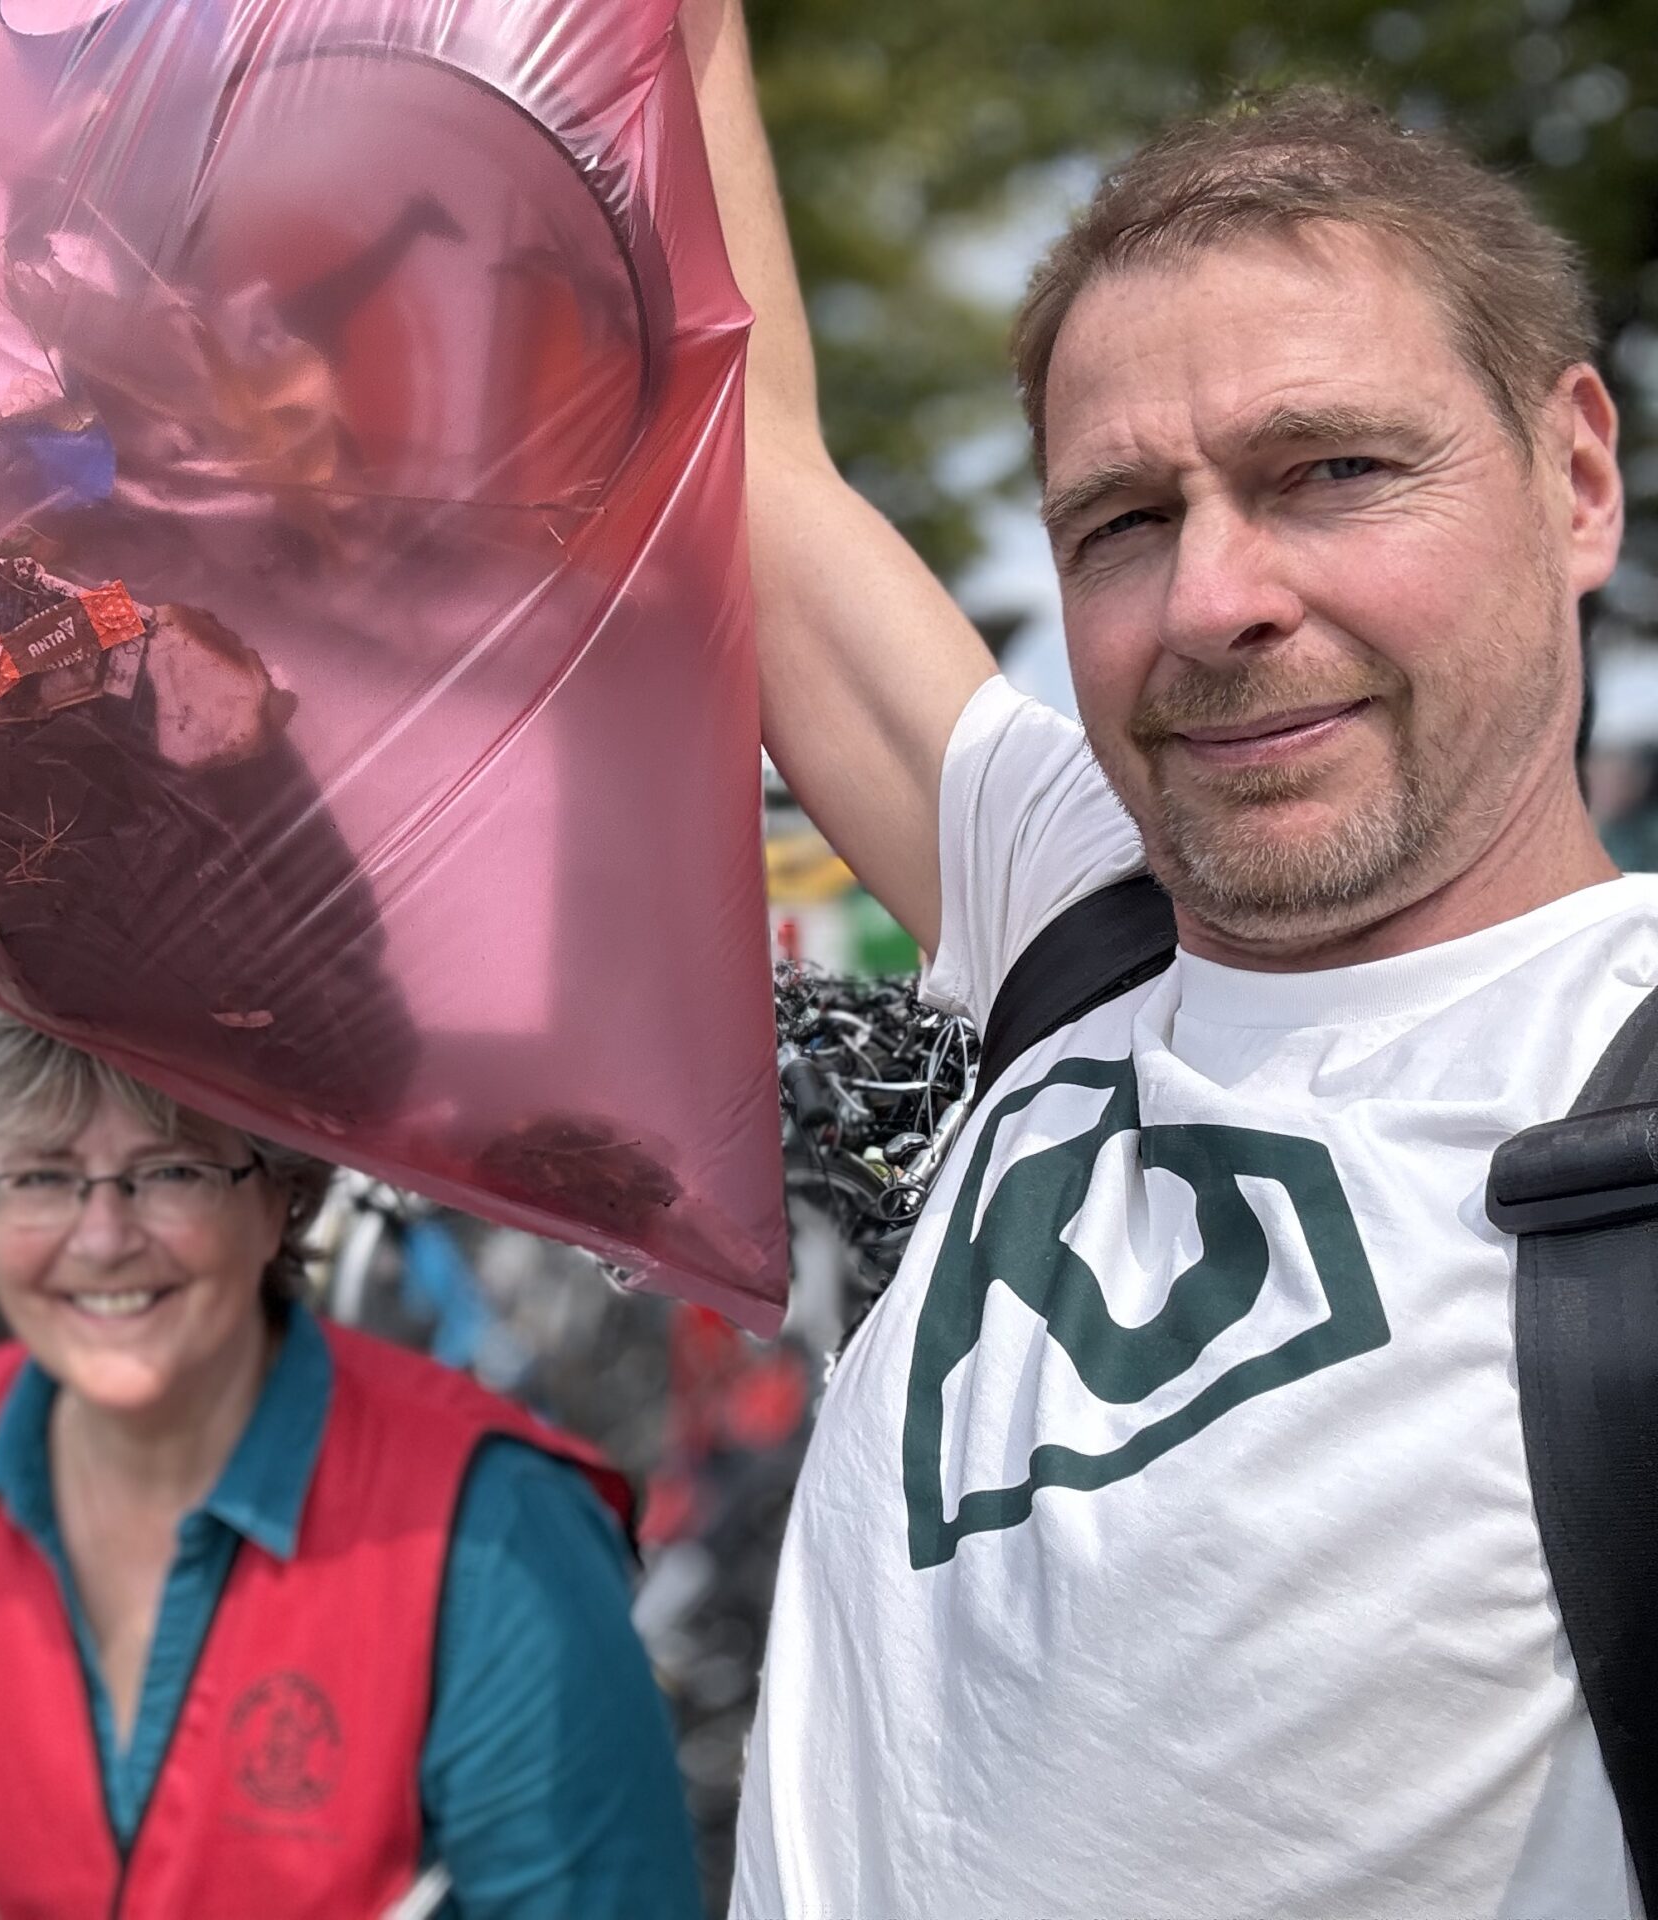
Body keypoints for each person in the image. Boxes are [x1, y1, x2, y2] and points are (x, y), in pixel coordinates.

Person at [682, 3, 1644, 1913]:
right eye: (1124, 522)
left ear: (1578, 481)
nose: (1215, 601)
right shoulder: (1084, 920)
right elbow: (743, 461)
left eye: (1336, 471)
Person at [0, 1003, 703, 1919]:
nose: (104, 1238)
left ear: (283, 1197)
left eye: (172, 1171)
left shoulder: (490, 1534)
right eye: (40, 1176)